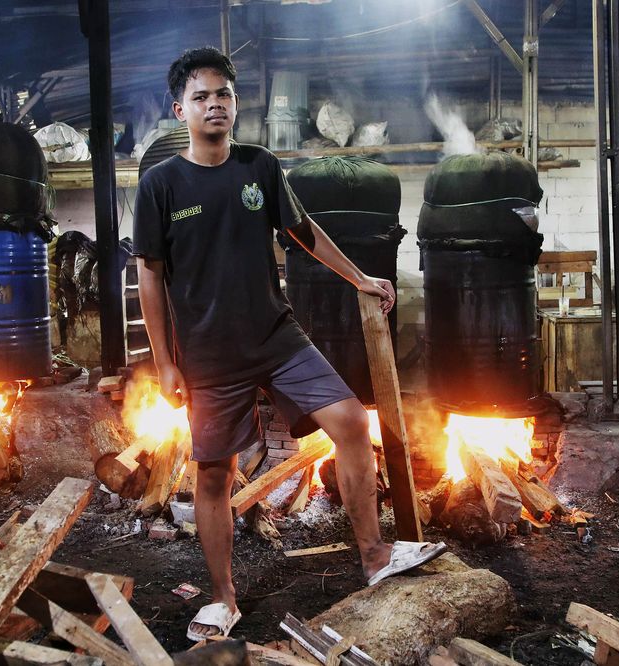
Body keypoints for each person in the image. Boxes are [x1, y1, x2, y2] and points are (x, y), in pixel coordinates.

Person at [132, 46, 445, 642]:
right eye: (201, 96)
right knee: (214, 476)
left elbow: (303, 231)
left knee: (351, 421)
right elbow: (150, 275)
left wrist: (359, 277)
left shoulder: (260, 167)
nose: (215, 105)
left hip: (277, 336)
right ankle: (223, 598)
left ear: (236, 103)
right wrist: (165, 361)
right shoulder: (160, 185)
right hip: (209, 354)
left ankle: (375, 556)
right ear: (180, 109)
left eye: (223, 94)